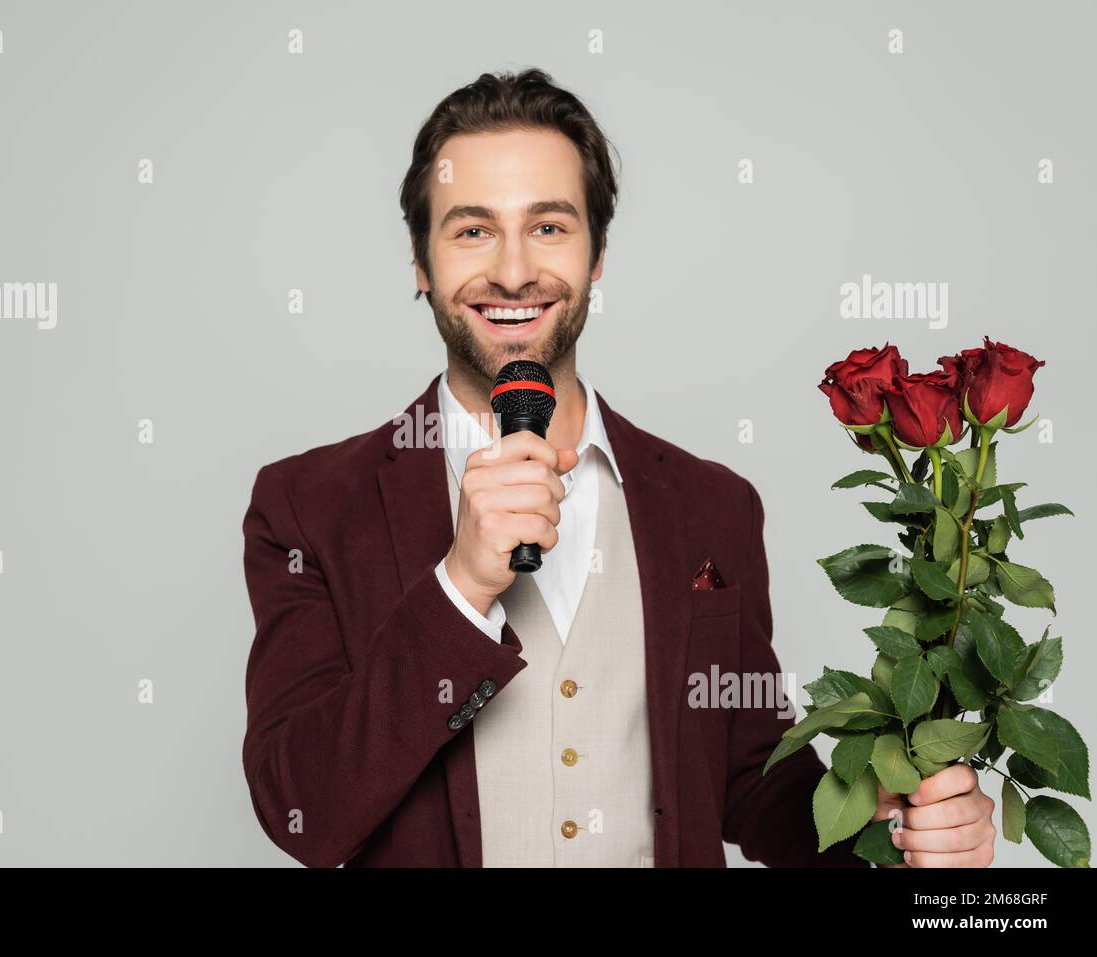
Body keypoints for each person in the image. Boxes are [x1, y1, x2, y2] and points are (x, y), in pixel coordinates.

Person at [240, 68, 997, 868]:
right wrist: (460, 587)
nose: (511, 270)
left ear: (597, 254)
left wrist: (889, 824)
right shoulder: (307, 506)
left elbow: (747, 780)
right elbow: (301, 809)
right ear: (420, 261)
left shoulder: (713, 506)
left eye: (549, 227)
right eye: (471, 231)